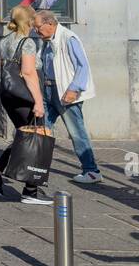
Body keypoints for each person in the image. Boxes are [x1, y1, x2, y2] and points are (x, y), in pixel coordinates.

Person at [0, 5, 51, 205]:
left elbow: (5, 67)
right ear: (28, 21)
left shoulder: (5, 41)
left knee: (24, 136)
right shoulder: (27, 43)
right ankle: (29, 190)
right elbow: (28, 73)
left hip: (9, 94)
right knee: (33, 136)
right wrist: (38, 101)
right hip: (24, 96)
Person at [35, 10, 101, 184]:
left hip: (65, 92)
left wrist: (74, 88)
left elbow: (82, 66)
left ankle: (92, 171)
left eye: (38, 27)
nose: (36, 31)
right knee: (42, 129)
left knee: (76, 132)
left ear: (50, 23)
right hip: (48, 90)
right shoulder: (47, 40)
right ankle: (36, 169)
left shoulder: (69, 38)